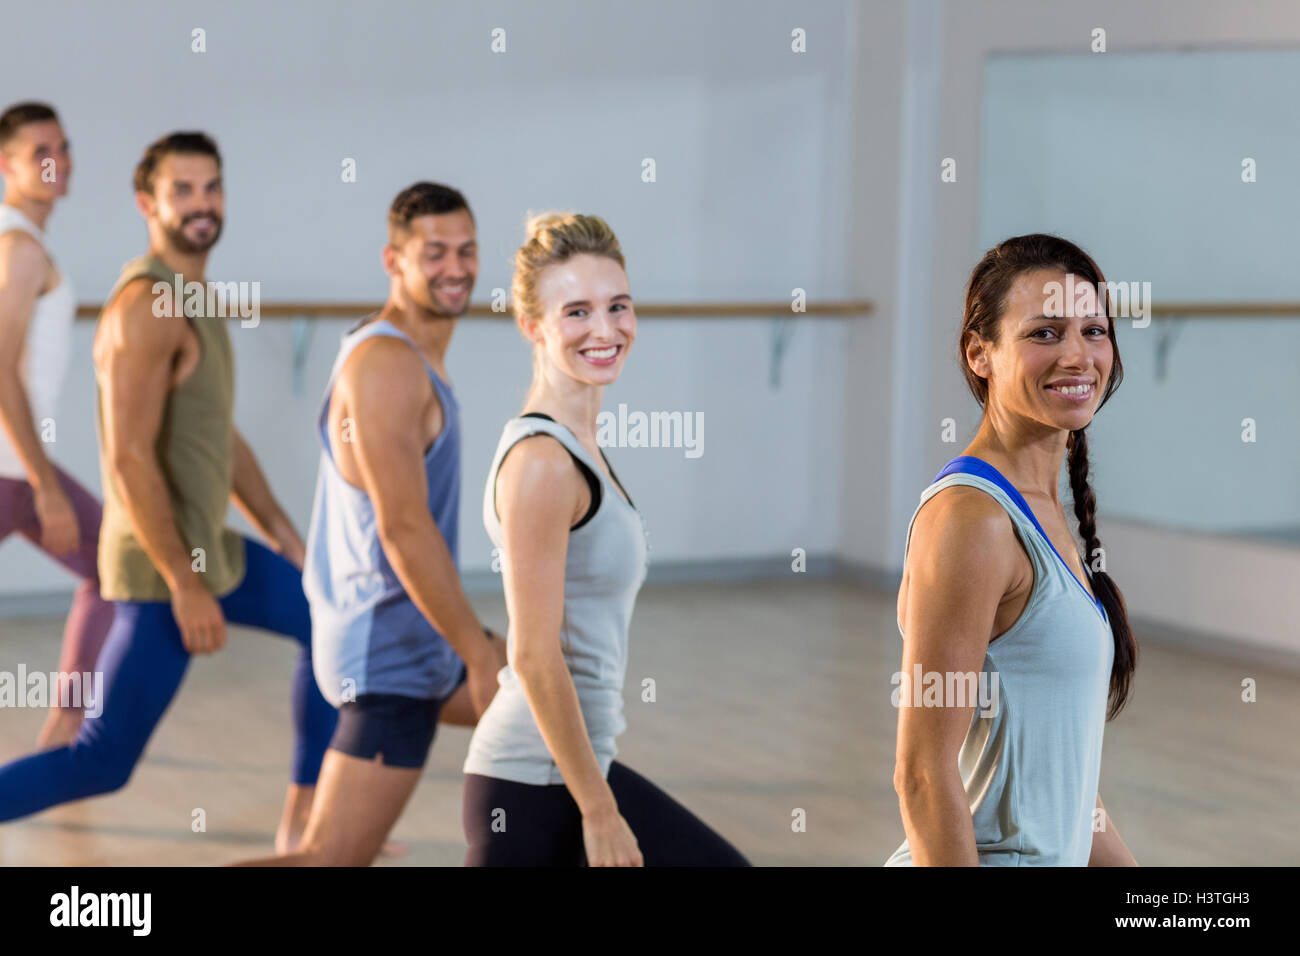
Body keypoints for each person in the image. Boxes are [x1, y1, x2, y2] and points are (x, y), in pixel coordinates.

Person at [0, 131, 336, 854]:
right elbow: (125, 458)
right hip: (162, 568)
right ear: (147, 203)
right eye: (182, 190)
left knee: (327, 624)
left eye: (211, 186)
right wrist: (185, 586)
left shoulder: (196, 294)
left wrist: (282, 530)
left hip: (211, 548)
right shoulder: (148, 304)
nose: (202, 203)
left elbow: (219, 436)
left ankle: (307, 829)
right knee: (102, 761)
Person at [461, 212, 749, 867]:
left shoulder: (578, 445)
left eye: (618, 306)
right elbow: (534, 656)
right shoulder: (541, 463)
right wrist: (599, 812)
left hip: (570, 770)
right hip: (532, 785)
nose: (605, 328)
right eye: (577, 312)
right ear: (532, 325)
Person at [235, 182, 505, 866]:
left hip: (410, 637)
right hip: (387, 656)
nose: (456, 267)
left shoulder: (402, 351)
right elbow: (404, 531)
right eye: (434, 252)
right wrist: (477, 654)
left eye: (467, 250)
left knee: (552, 708)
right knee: (327, 862)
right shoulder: (387, 364)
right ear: (394, 260)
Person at [886, 233, 1138, 866]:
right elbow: (921, 774)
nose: (1078, 356)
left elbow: (1062, 770)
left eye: (1093, 331)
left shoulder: (1042, 508)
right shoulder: (972, 519)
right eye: (1045, 334)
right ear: (981, 353)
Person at [0, 101, 114, 749]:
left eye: (64, 147)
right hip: (13, 470)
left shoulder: (23, 241)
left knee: (114, 568)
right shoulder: (18, 247)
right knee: (115, 568)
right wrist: (43, 486)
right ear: (7, 163)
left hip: (16, 468)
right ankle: (65, 732)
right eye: (40, 150)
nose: (58, 161)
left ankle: (63, 730)